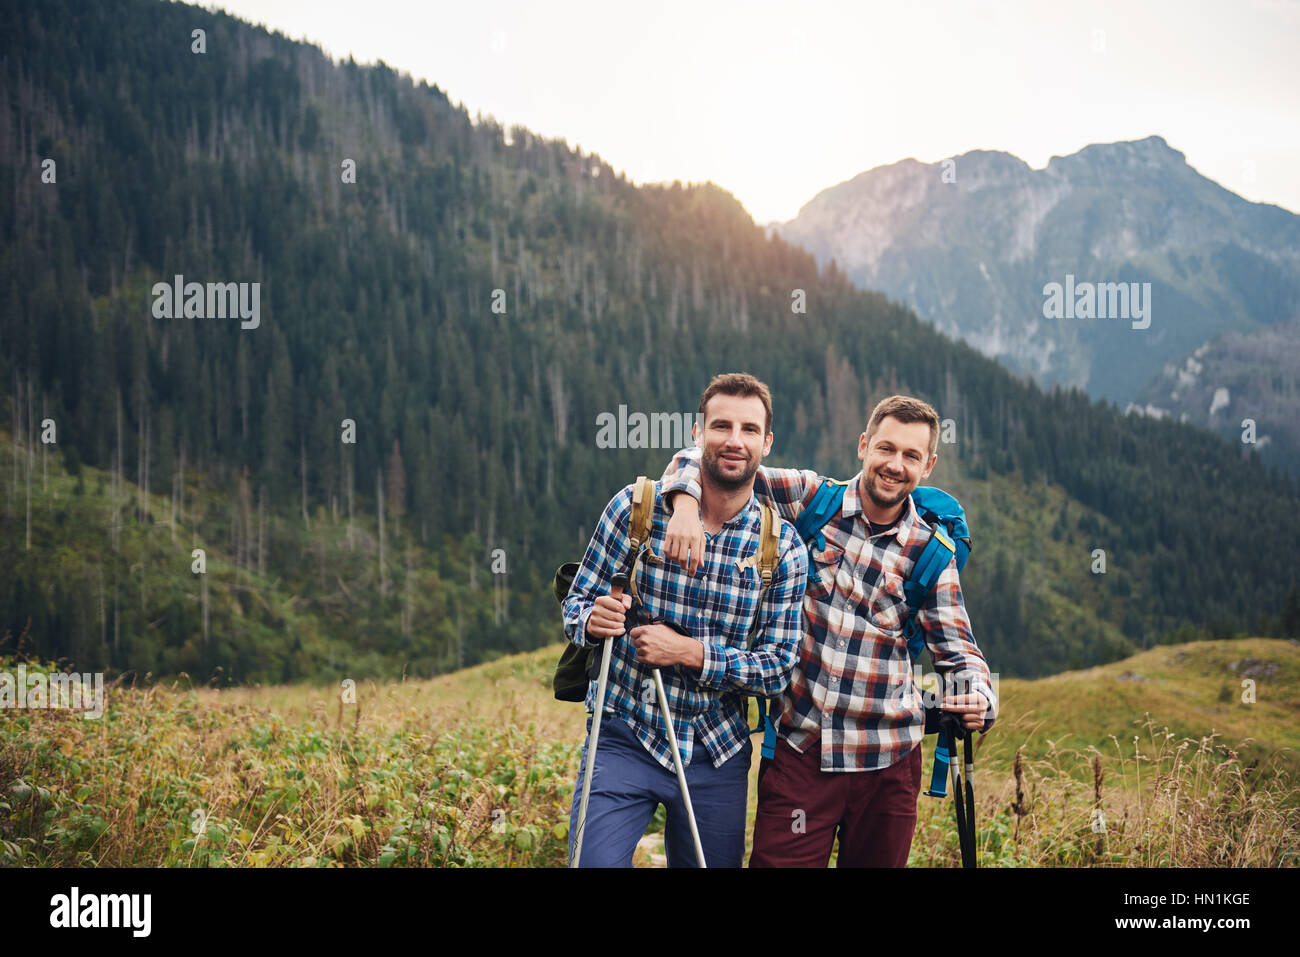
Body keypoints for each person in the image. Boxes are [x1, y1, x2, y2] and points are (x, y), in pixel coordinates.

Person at [658, 394, 997, 867]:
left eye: (910, 456)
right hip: (801, 754)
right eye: (886, 448)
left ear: (929, 466)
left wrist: (979, 696)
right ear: (863, 445)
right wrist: (685, 505)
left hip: (889, 767)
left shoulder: (931, 554)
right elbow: (715, 460)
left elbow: (959, 654)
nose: (895, 464)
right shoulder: (812, 500)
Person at [562, 373, 808, 867]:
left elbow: (778, 667)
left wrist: (689, 654)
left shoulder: (781, 550)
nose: (733, 440)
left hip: (717, 752)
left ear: (767, 442)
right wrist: (593, 620)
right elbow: (575, 604)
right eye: (721, 426)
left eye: (748, 429)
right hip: (623, 733)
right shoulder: (635, 509)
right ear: (698, 434)